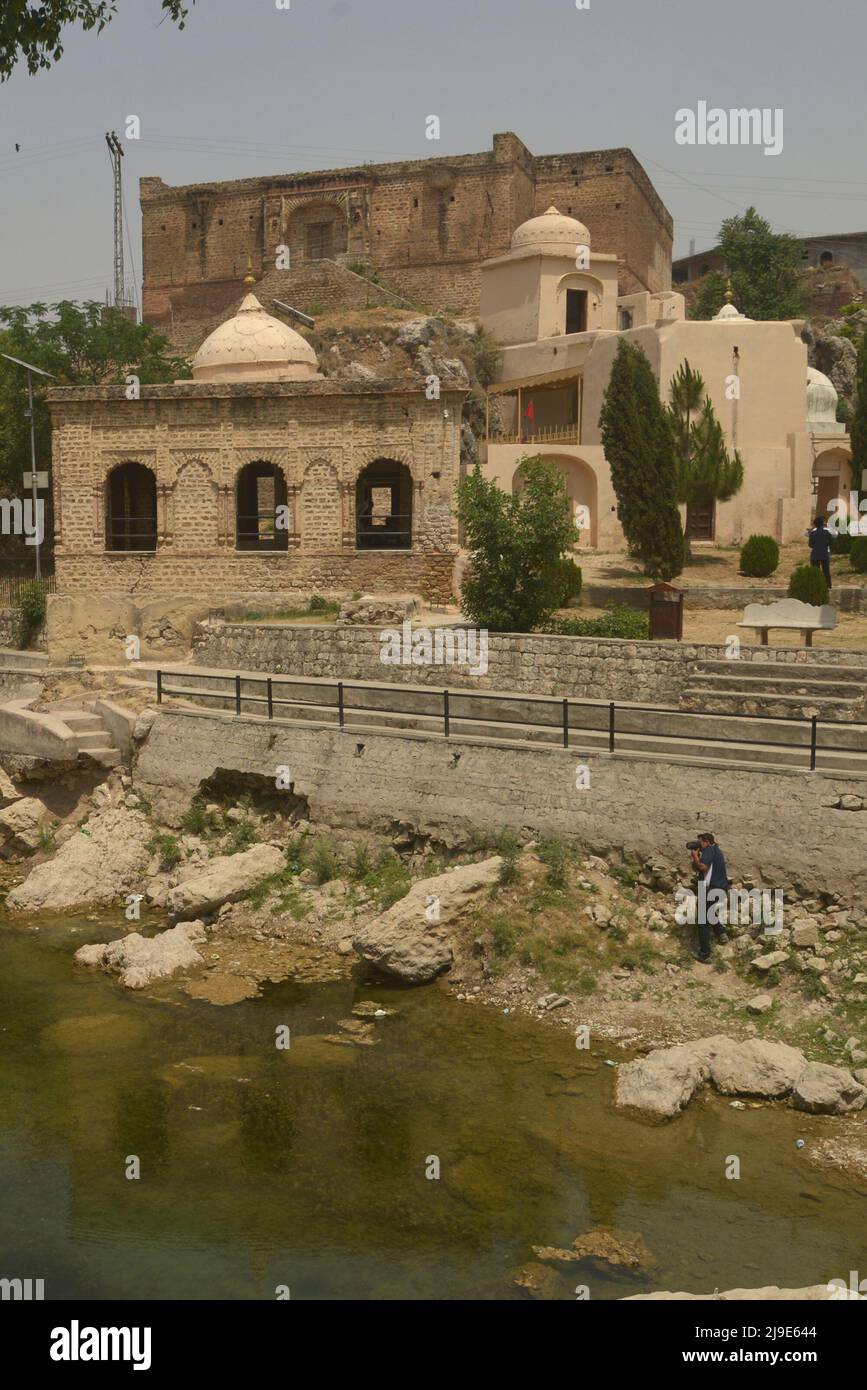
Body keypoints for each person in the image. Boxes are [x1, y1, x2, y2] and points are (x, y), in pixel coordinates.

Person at [690, 832, 729, 964]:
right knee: (709, 911)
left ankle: (704, 954)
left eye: (699, 842)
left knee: (702, 920)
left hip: (710, 889)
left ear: (706, 841)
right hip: (719, 888)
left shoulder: (708, 850)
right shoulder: (716, 850)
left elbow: (703, 867)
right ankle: (721, 932)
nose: (698, 845)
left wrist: (695, 857)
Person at [806, 515, 832, 589]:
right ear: (822, 524)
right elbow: (830, 542)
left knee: (815, 572)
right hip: (824, 554)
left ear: (815, 524)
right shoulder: (827, 533)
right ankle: (828, 586)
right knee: (826, 571)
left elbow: (810, 545)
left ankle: (815, 586)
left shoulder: (813, 534)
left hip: (815, 555)